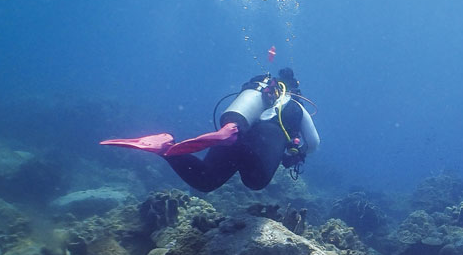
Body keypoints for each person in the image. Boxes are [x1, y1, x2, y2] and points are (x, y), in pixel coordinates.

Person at [101, 68, 320, 192]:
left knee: (207, 179)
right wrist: (297, 151)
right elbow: (314, 143)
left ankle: (166, 148)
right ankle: (230, 138)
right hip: (267, 137)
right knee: (255, 181)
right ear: (295, 91)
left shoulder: (257, 94)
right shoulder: (296, 106)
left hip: (237, 127)